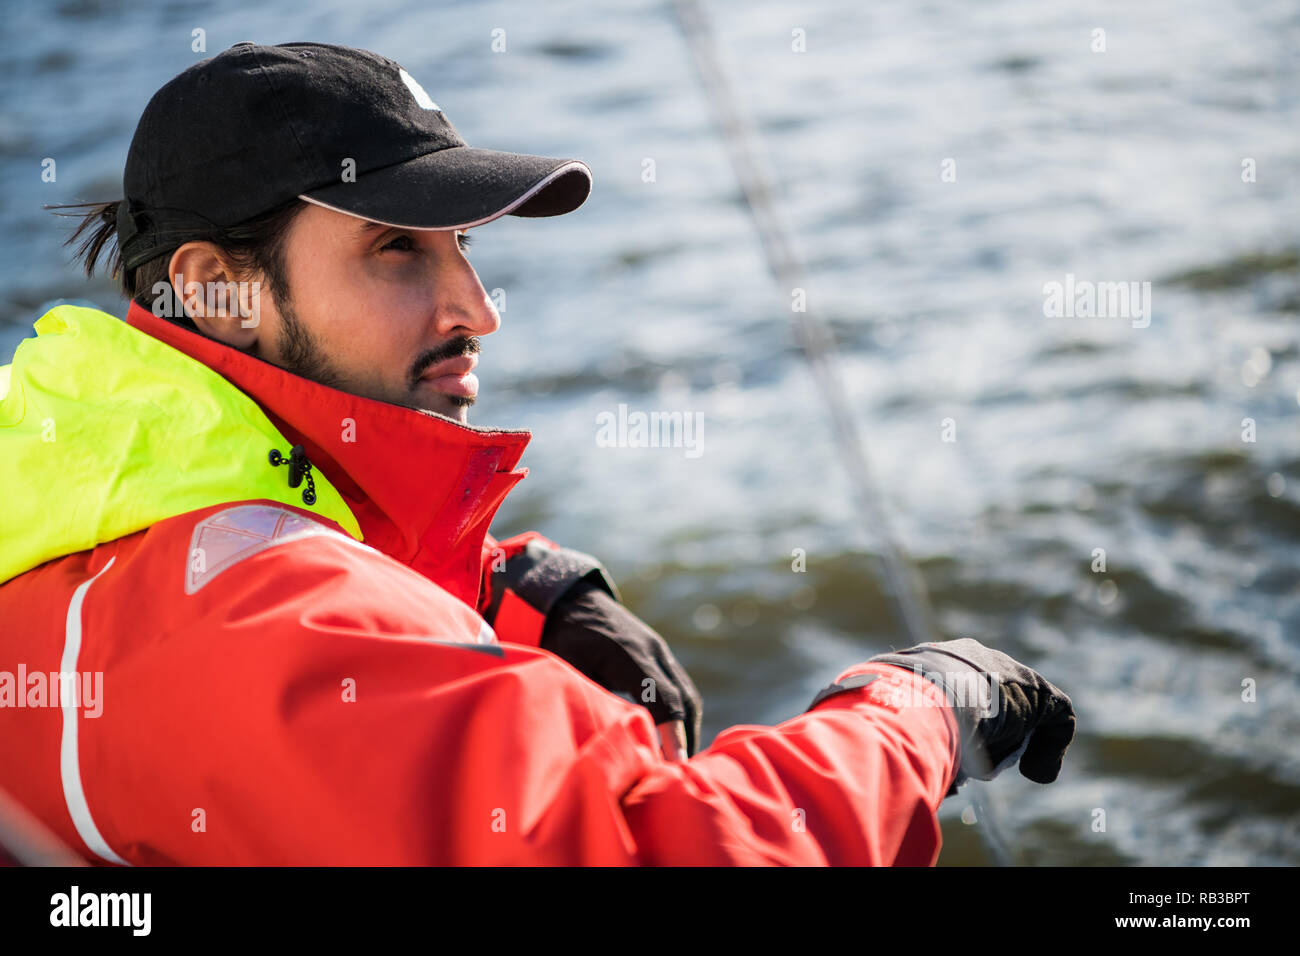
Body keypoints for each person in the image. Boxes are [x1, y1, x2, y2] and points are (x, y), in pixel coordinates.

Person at [0, 42, 1074, 865]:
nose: (475, 306)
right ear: (217, 288)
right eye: (396, 249)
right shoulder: (274, 613)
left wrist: (513, 586)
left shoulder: (72, 489)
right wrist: (919, 706)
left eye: (463, 245)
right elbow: (668, 848)